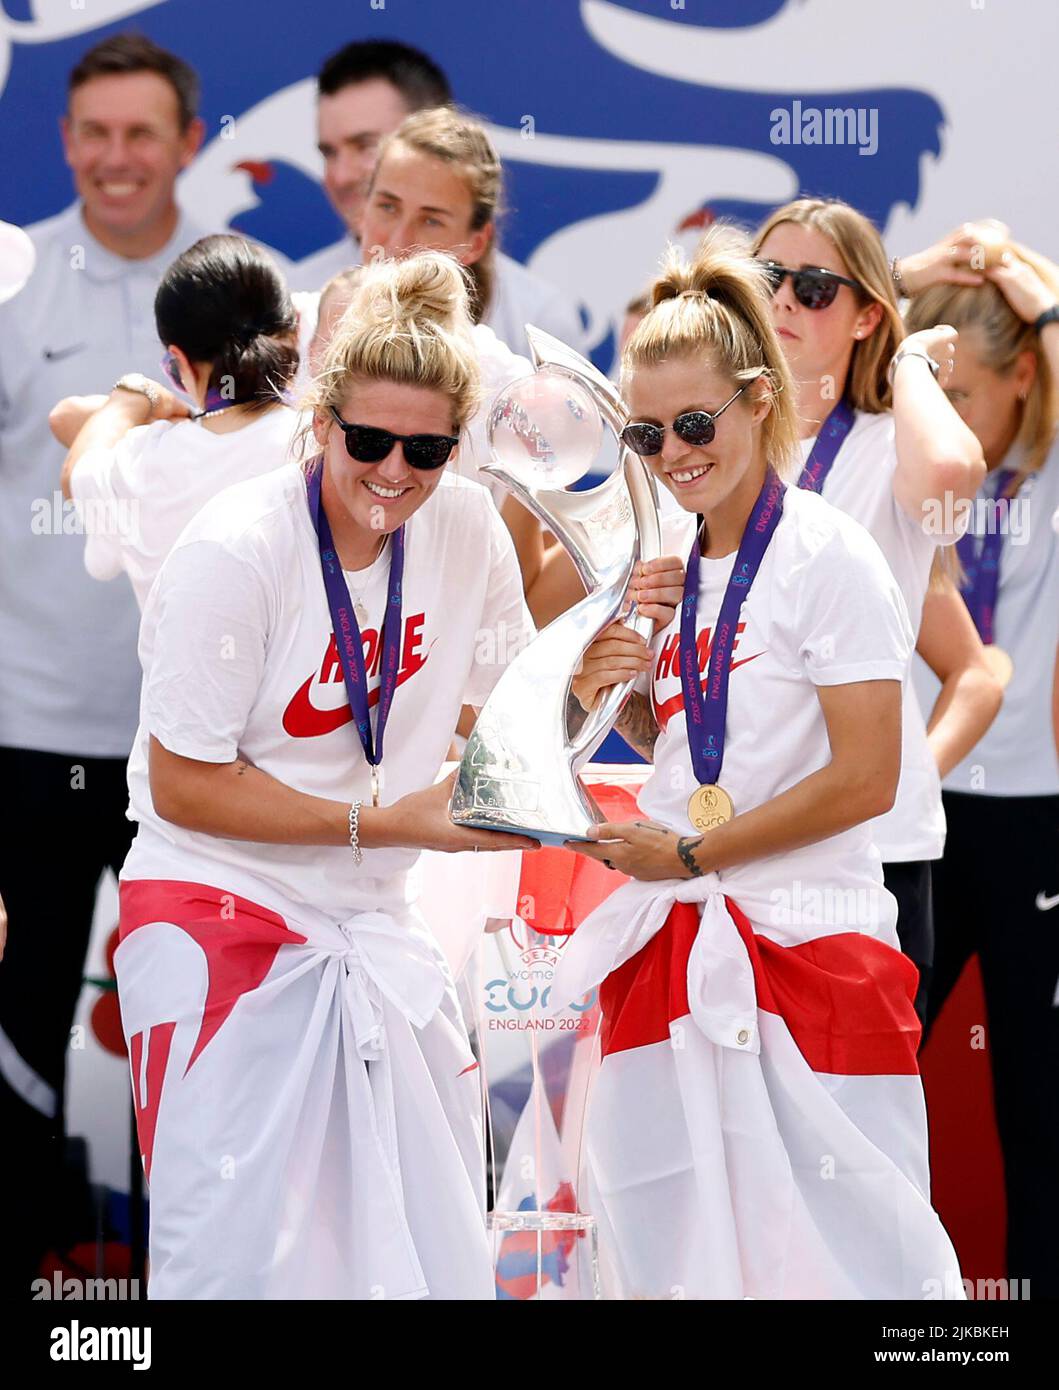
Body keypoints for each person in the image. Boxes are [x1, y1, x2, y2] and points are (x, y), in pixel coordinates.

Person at [110, 250, 553, 1299]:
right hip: (220, 912)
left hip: (376, 924)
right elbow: (184, 785)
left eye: (430, 447)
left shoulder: (467, 528)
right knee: (227, 1258)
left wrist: (607, 670)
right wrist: (387, 823)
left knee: (425, 1248)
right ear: (318, 420)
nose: (396, 470)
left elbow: (509, 725)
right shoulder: (238, 547)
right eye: (368, 440)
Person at [549, 227, 963, 1300]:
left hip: (807, 941)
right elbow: (699, 750)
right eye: (647, 434)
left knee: (849, 1263)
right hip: (680, 945)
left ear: (760, 399)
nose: (674, 452)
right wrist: (617, 692)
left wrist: (691, 852)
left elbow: (869, 775)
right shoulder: (676, 562)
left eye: (696, 423)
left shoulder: (831, 553)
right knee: (676, 1255)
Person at [0, 31, 210, 1296]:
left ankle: (188, 1271)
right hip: (25, 732)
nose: (116, 158)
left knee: (191, 1030)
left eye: (143, 133)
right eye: (94, 132)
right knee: (20, 1028)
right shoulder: (14, 282)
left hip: (192, 756)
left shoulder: (253, 292)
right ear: (66, 139)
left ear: (190, 142)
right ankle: (32, 1279)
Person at [750, 198, 997, 1021]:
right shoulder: (707, 449)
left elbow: (952, 474)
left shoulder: (884, 443)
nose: (783, 299)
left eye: (814, 288)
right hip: (735, 845)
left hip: (867, 857)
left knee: (859, 1135)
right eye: (766, 279)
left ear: (864, 320)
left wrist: (910, 364)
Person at [902, 226, 1059, 1297]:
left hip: (1033, 817)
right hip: (913, 808)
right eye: (936, 393)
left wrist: (1029, 290)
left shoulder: (1048, 476)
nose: (950, 426)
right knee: (865, 1072)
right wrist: (913, 278)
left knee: (1039, 1100)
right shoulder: (900, 462)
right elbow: (816, 350)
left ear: (1022, 378)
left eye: (971, 398)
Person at [51, 234, 300, 610]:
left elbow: (72, 445)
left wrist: (132, 396)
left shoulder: (144, 459)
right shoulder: (333, 438)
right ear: (293, 331)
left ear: (177, 363)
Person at [290, 39, 584, 357]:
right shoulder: (295, 304)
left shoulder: (539, 324)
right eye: (329, 152)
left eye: (365, 145)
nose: (341, 176)